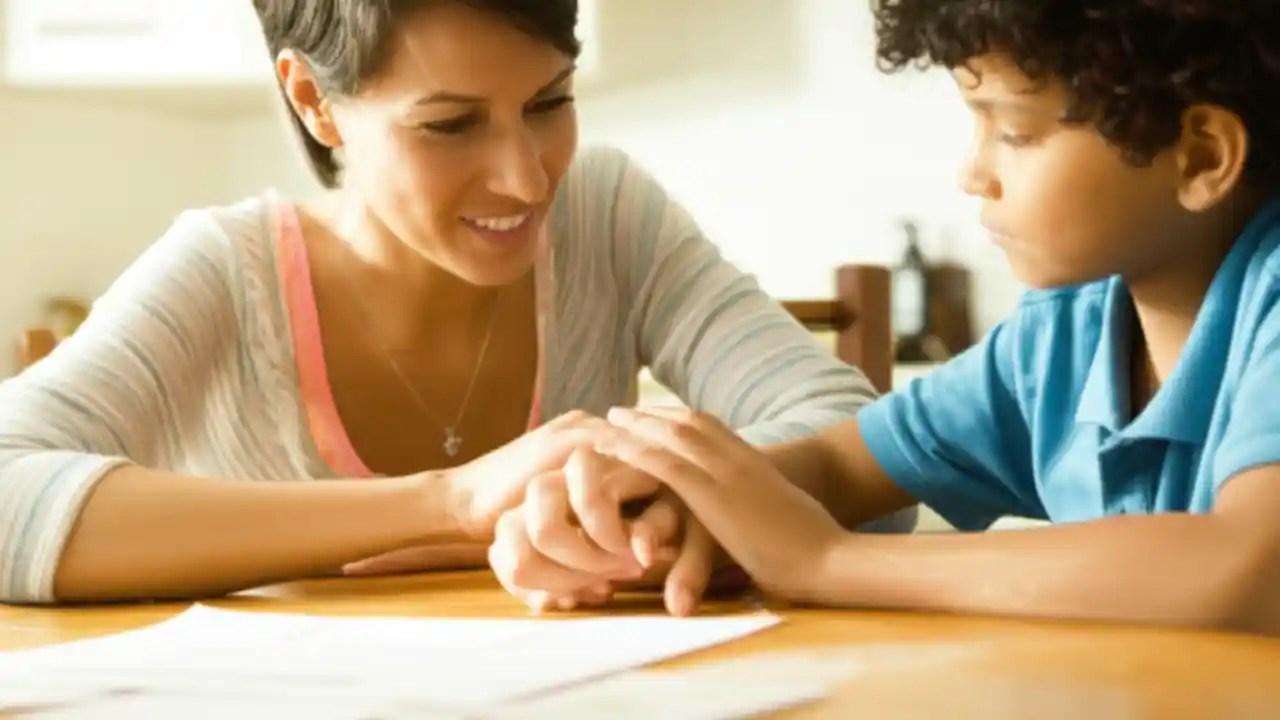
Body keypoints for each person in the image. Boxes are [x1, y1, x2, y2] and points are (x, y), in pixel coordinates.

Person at [0, 0, 914, 606]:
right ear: (314, 101)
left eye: (550, 103)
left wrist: (670, 503)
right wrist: (452, 503)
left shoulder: (606, 215)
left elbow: (859, 442)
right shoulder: (223, 270)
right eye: (449, 124)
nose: (527, 179)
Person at [579, 0, 1280, 634]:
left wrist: (827, 562)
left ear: (1201, 156)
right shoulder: (1060, 338)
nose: (972, 174)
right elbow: (839, 464)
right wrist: (670, 503)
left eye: (1014, 132)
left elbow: (1251, 568)